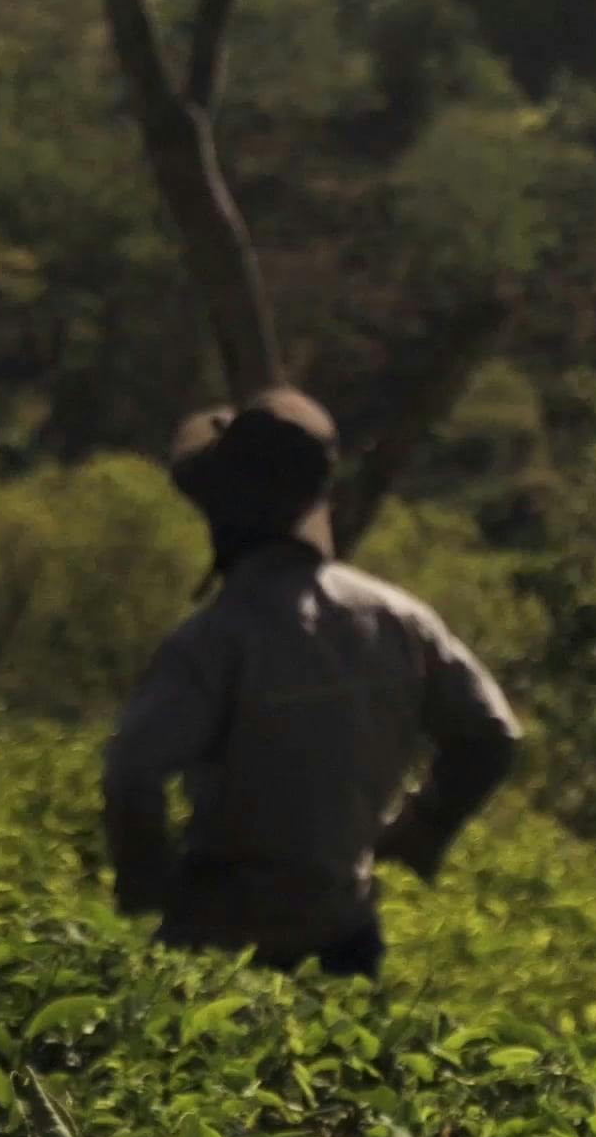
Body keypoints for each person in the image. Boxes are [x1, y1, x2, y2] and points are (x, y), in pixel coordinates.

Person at [99, 388, 523, 978]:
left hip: (220, 948)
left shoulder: (215, 638)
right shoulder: (399, 621)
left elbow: (132, 771)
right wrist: (416, 832)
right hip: (344, 935)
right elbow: (492, 735)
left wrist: (149, 890)